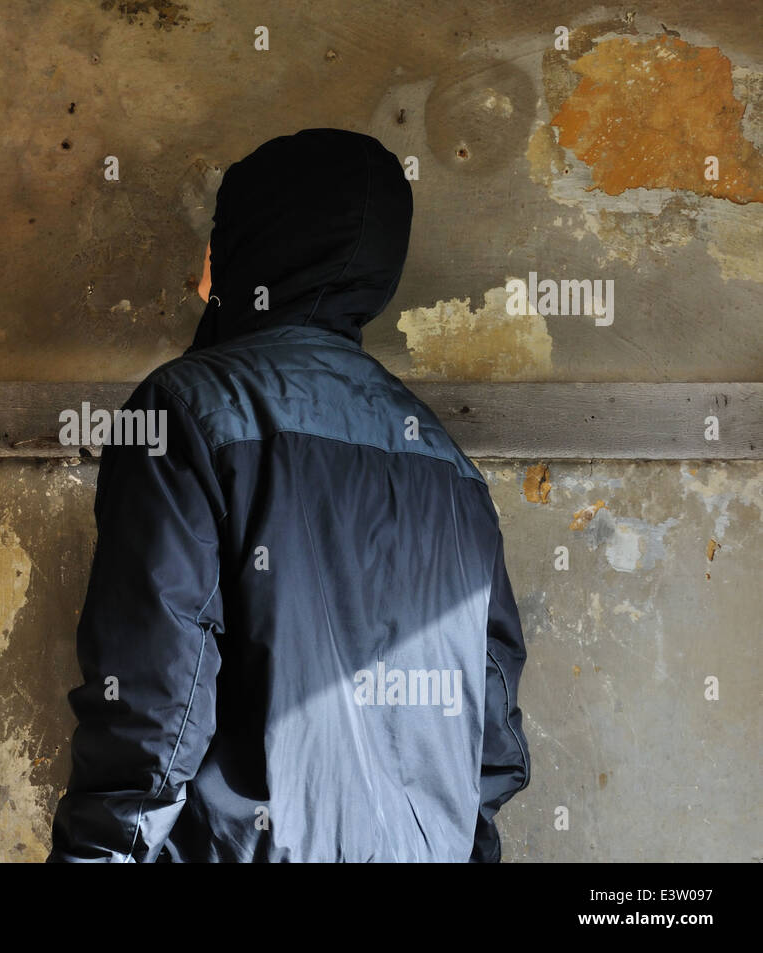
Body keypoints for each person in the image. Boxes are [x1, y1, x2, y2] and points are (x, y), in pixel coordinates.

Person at [48, 128, 530, 862]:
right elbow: (489, 737)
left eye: (215, 245)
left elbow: (152, 705)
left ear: (259, 243)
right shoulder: (449, 465)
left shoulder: (185, 410)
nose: (202, 282)